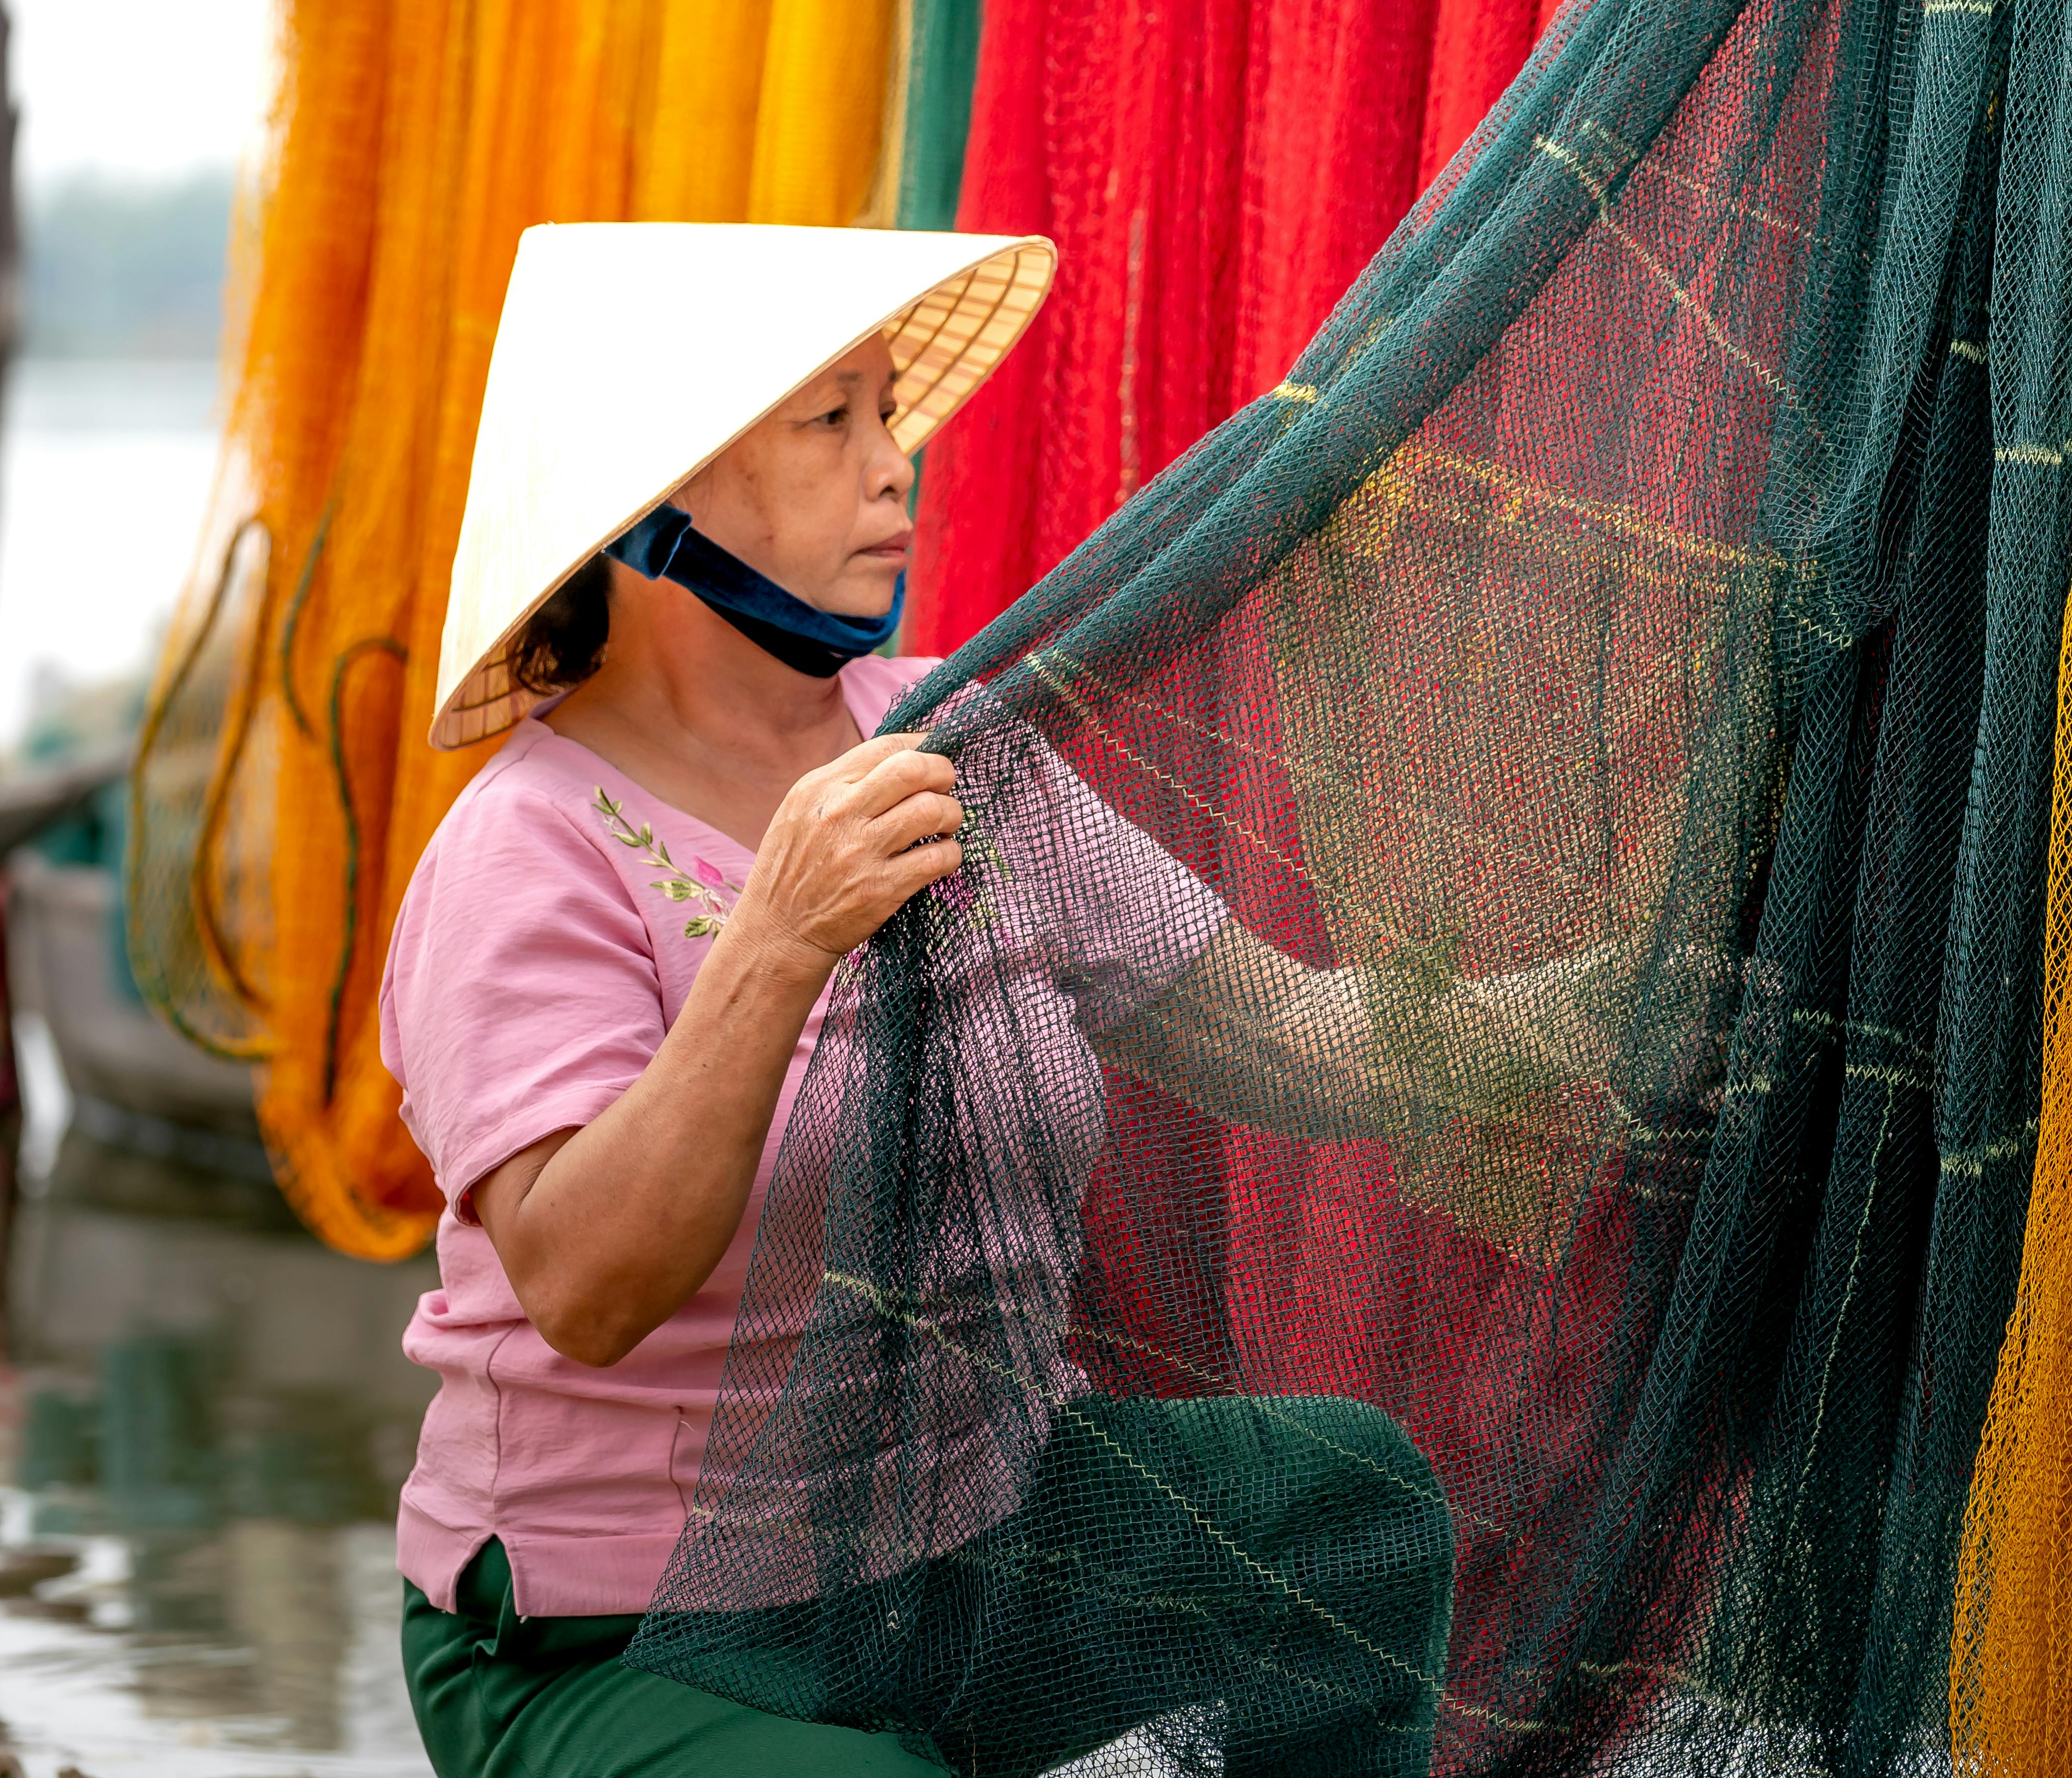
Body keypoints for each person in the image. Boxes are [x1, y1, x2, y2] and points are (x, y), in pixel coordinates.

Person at [381, 223, 1623, 1778]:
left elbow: (1297, 1043)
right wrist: (777, 942)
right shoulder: (525, 848)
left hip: (960, 1554)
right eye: (830, 421)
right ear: (656, 503)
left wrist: (1609, 1009)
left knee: (1349, 1510)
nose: (893, 464)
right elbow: (587, 1288)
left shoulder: (951, 741)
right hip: (617, 1629)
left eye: (888, 411)